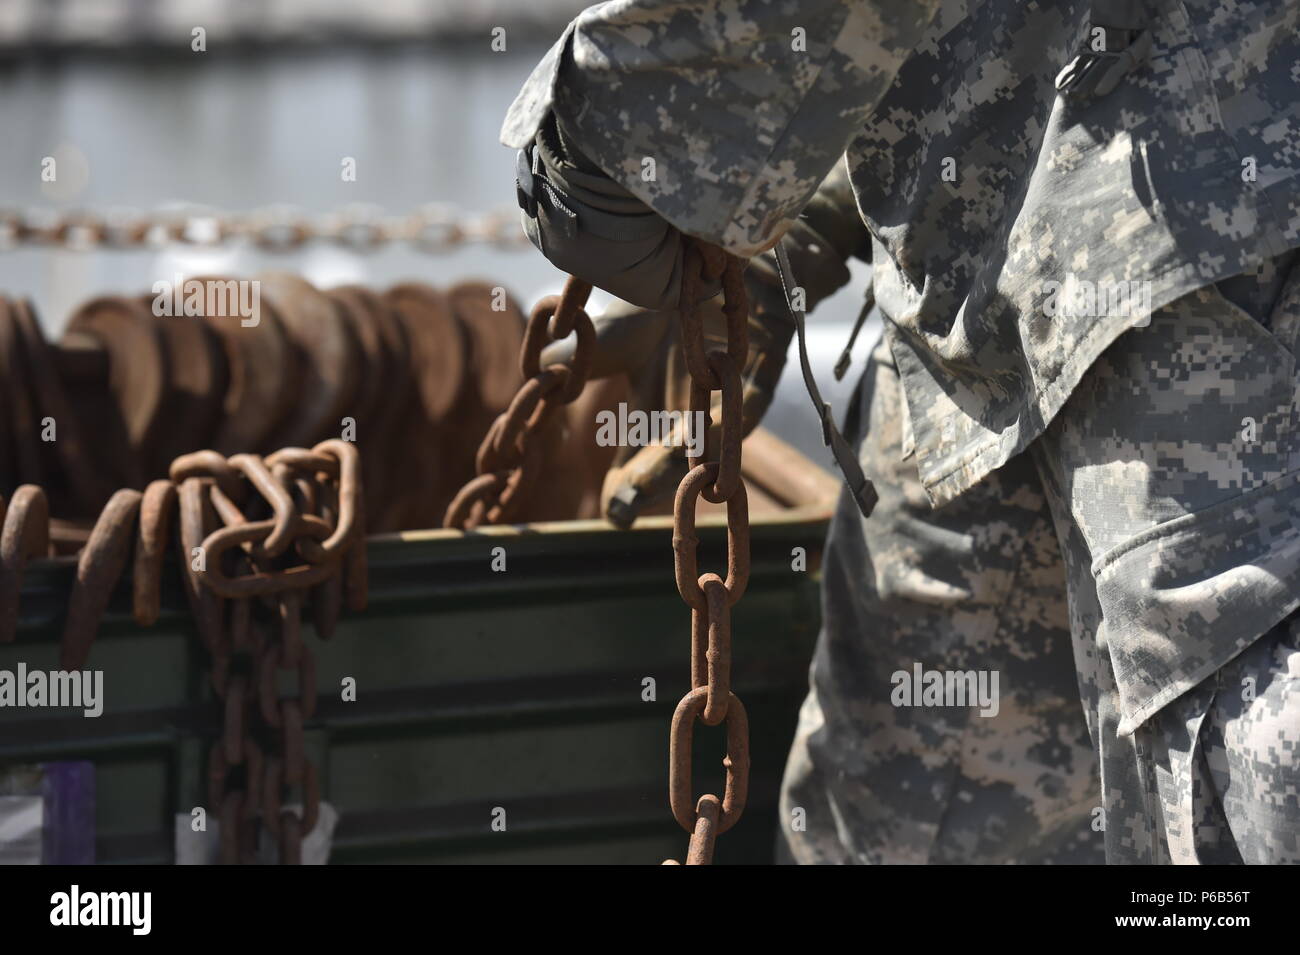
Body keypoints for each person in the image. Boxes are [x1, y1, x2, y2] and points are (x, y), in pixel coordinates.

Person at [503, 0, 1300, 864]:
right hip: (1035, 287)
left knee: (1243, 781)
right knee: (898, 803)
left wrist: (601, 152)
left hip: (1199, 275)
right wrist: (788, 237)